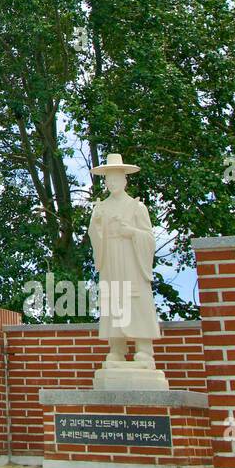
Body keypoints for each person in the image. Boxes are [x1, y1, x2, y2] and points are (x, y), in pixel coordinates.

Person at [87, 153, 161, 367]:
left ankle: (144, 348)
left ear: (125, 180)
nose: (113, 183)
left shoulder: (137, 207)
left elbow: (148, 237)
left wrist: (131, 232)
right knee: (114, 300)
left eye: (117, 179)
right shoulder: (100, 208)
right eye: (109, 180)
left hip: (131, 257)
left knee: (136, 298)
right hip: (111, 258)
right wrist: (98, 225)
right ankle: (117, 348)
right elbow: (94, 234)